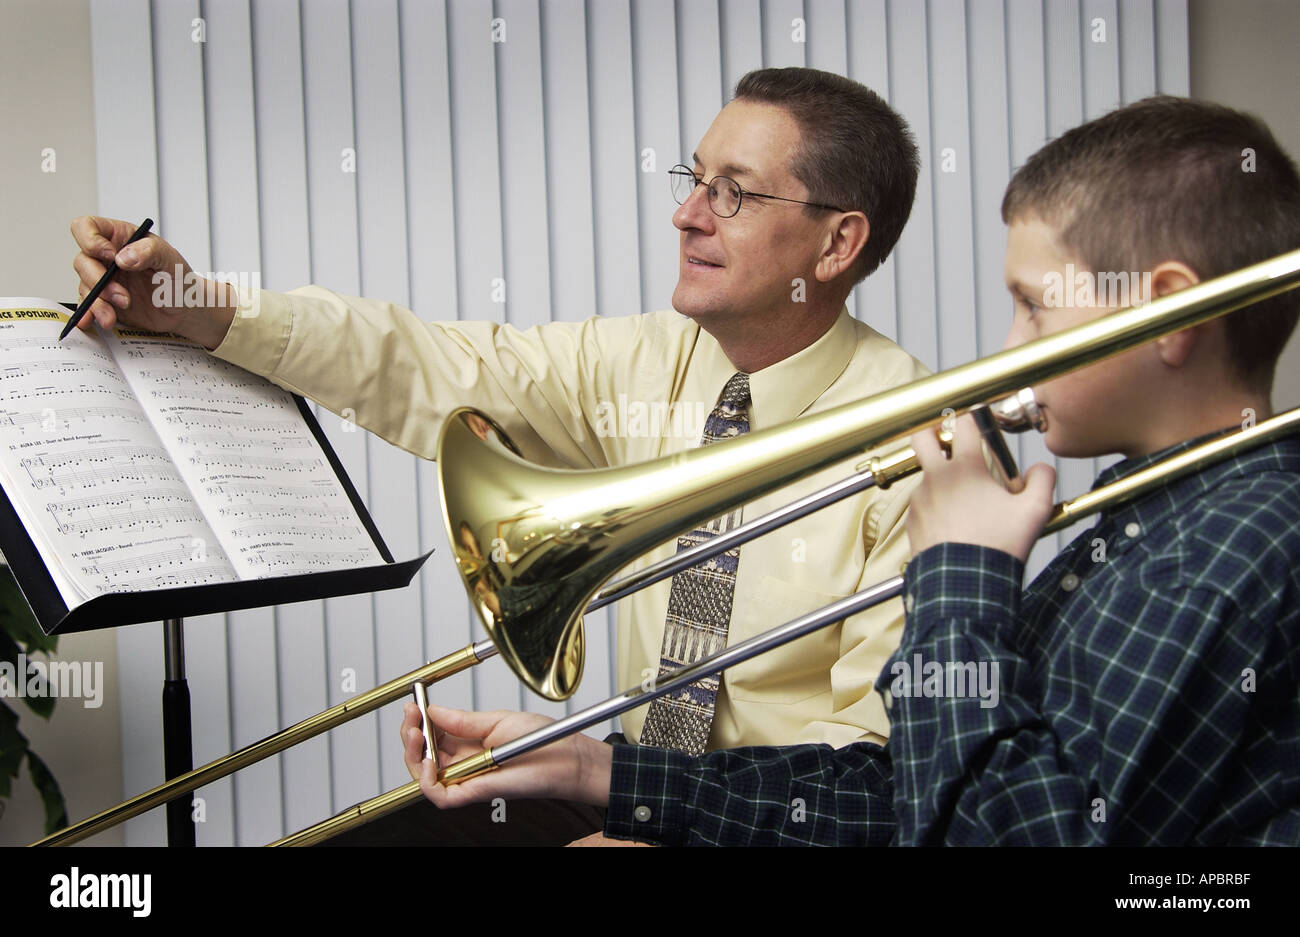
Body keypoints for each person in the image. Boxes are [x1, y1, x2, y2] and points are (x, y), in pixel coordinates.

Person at [404, 95, 1300, 845]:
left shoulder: (1237, 542)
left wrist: (959, 575)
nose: (1008, 349)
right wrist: (599, 767)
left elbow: (1000, 832)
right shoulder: (1145, 515)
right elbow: (903, 798)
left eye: (1033, 307)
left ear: (1170, 314)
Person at [70, 68, 926, 844]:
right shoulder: (644, 361)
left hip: (767, 822)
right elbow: (423, 362)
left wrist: (653, 818)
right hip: (633, 779)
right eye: (693, 178)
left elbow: (876, 795)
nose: (686, 213)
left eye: (733, 193)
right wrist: (199, 307)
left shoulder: (921, 444)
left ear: (836, 244)